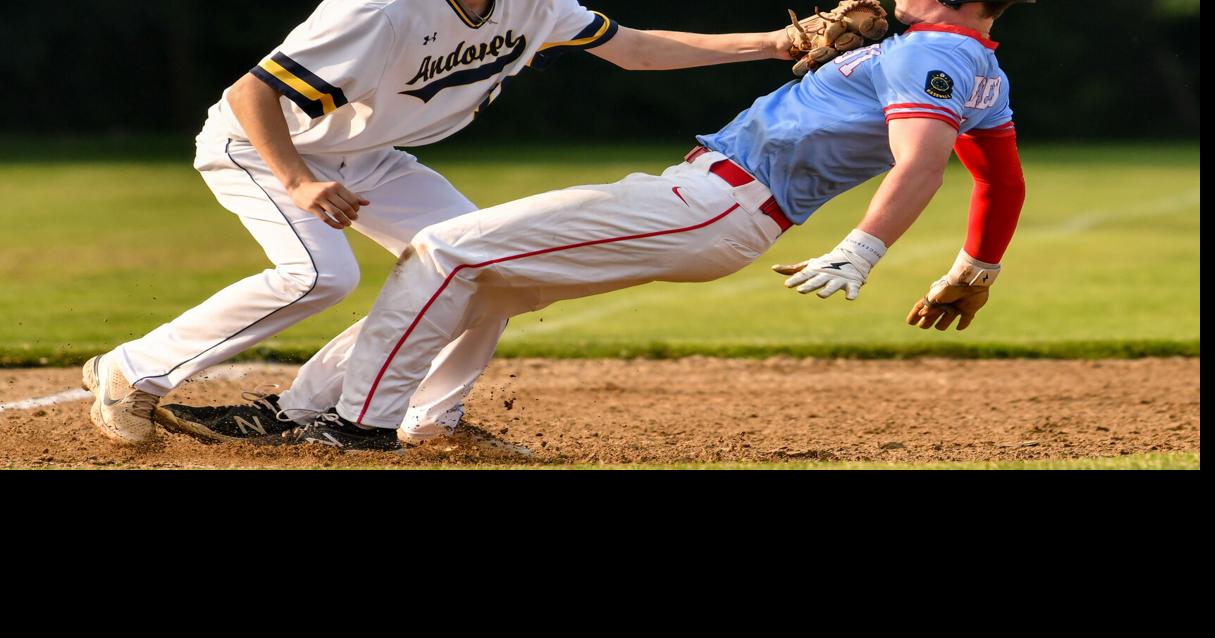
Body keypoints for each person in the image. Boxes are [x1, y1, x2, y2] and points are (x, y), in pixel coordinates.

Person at [236, 0, 1033, 451]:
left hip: (714, 202)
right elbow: (1002, 178)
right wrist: (976, 270)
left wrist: (865, 246)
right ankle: (333, 413)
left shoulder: (935, 52)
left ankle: (357, 429)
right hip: (712, 202)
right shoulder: (977, 66)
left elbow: (921, 159)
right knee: (484, 279)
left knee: (444, 248)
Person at [83, 0, 796, 446]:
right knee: (320, 276)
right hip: (266, 150)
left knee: (487, 263)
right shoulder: (381, 9)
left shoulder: (534, 4)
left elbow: (634, 48)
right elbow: (250, 93)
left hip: (367, 154)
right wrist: (298, 181)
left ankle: (431, 419)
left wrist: (771, 44)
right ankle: (133, 370)